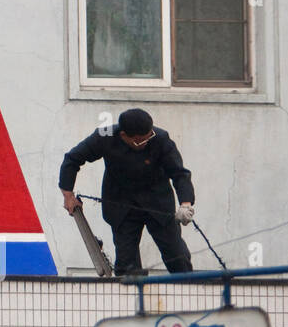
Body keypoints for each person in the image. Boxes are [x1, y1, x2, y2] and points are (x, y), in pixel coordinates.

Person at [59, 108, 194, 275]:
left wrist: (186, 203)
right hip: (121, 206)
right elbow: (72, 159)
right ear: (123, 135)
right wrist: (68, 195)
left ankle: (188, 285)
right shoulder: (105, 136)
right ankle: (133, 296)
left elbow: (179, 173)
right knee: (127, 265)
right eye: (139, 142)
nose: (145, 143)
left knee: (177, 255)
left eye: (148, 138)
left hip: (157, 203)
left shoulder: (160, 139)